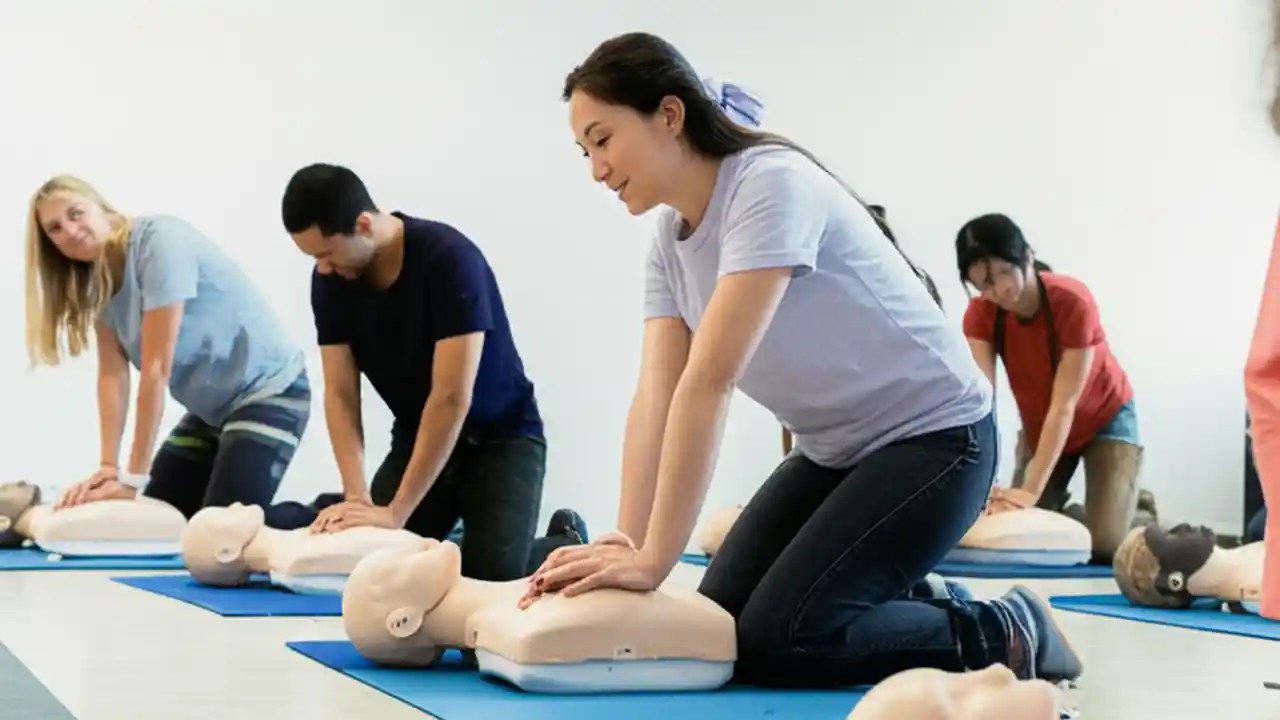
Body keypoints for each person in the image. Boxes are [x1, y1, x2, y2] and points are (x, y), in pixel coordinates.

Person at [521, 31, 1082, 689]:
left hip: (939, 440)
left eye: (603, 139)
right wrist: (626, 537)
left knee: (782, 641)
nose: (595, 168)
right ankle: (913, 597)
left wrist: (654, 562)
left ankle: (1006, 628)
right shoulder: (668, 246)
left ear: (668, 116)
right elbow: (657, 395)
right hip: (836, 452)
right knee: (719, 623)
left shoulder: (768, 187)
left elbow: (709, 383)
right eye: (584, 150)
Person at [279, 163, 586, 581]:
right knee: (373, 563)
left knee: (487, 580)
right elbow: (340, 393)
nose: (323, 268)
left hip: (500, 441)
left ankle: (565, 542)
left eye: (327, 253)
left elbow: (451, 397)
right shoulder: (331, 282)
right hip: (417, 436)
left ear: (364, 225)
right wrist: (359, 498)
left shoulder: (449, 260)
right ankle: (452, 538)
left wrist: (396, 512)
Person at [26, 175, 314, 527]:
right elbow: (112, 376)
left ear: (101, 208)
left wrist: (132, 477)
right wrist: (108, 468)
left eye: (76, 214)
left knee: (217, 531)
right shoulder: (98, 281)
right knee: (163, 522)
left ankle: (331, 512)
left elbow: (155, 368)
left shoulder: (159, 242)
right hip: (211, 412)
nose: (70, 231)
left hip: (269, 391)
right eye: (54, 228)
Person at [956, 213, 1142, 564]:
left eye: (1003, 274)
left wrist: (1029, 490)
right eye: (983, 284)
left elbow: (1066, 405)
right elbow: (981, 404)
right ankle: (1077, 513)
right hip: (1042, 424)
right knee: (1017, 527)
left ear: (1026, 256)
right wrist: (986, 484)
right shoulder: (981, 314)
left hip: (1105, 416)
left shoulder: (1072, 301)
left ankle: (1135, 510)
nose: (998, 291)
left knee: (1105, 547)